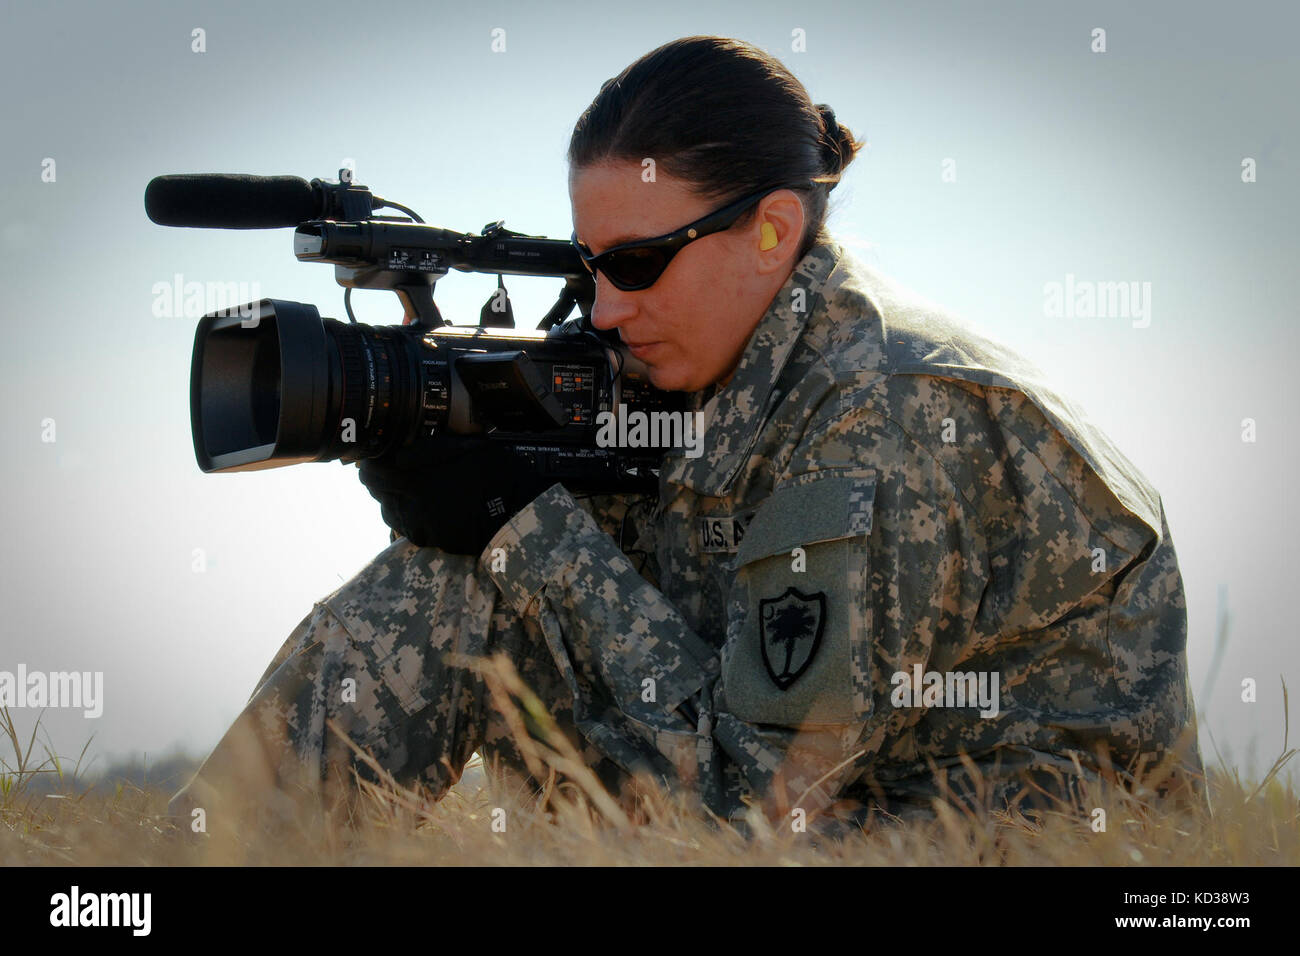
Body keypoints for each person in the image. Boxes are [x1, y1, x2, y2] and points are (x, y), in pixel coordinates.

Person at [169, 36, 1208, 835]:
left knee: (492, 568)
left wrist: (516, 520)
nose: (605, 309)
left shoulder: (889, 418)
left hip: (987, 845)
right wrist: (483, 474)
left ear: (771, 232)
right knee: (442, 591)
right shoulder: (698, 360)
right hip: (823, 817)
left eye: (636, 263)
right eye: (586, 266)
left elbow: (754, 805)